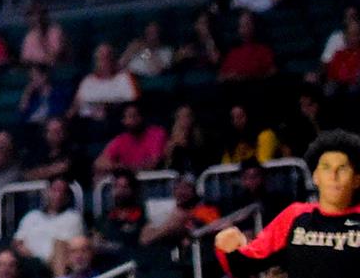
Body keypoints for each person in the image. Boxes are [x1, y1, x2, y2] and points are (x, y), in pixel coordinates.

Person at [216, 130, 360, 278]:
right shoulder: (295, 216)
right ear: (315, 176)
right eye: (326, 168)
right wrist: (227, 249)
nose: (333, 176)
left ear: (356, 179)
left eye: (342, 168)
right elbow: (244, 264)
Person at [140, 177, 221, 267]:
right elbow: (144, 239)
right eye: (178, 188)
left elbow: (214, 229)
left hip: (199, 258)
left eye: (187, 188)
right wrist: (169, 225)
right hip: (168, 256)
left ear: (194, 191)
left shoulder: (206, 211)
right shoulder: (168, 211)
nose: (182, 192)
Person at [12, 179, 84, 268]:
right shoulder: (31, 216)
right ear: (46, 193)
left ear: (67, 197)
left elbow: (69, 246)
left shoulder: (73, 218)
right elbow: (18, 241)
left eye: (62, 191)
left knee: (60, 247)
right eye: (55, 190)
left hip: (55, 263)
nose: (58, 195)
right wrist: (26, 254)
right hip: (28, 261)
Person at [72, 44, 139, 120]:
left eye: (107, 57)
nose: (104, 61)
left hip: (116, 119)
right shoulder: (87, 81)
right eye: (101, 57)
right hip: (89, 121)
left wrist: (108, 108)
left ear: (113, 59)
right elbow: (77, 105)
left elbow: (132, 103)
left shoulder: (125, 78)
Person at [96, 105, 167, 174]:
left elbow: (154, 163)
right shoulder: (120, 140)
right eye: (130, 116)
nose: (135, 119)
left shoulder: (156, 133)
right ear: (123, 121)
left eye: (137, 115)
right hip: (131, 181)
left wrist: (126, 168)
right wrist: (119, 167)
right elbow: (99, 163)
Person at [220, 12, 278, 81]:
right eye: (241, 25)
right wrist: (230, 77)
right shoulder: (232, 53)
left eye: (247, 24)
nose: (243, 28)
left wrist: (248, 77)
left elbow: (273, 73)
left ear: (254, 26)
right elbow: (220, 76)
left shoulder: (264, 50)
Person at [97, 171, 147, 251]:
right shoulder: (105, 216)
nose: (120, 191)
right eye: (116, 186)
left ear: (133, 190)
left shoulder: (141, 216)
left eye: (124, 187)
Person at [163, 105, 211, 175]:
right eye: (180, 116)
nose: (184, 119)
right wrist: (171, 148)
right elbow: (167, 166)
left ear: (192, 118)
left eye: (187, 116)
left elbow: (201, 165)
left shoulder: (200, 140)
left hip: (196, 177)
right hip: (175, 179)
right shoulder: (170, 141)